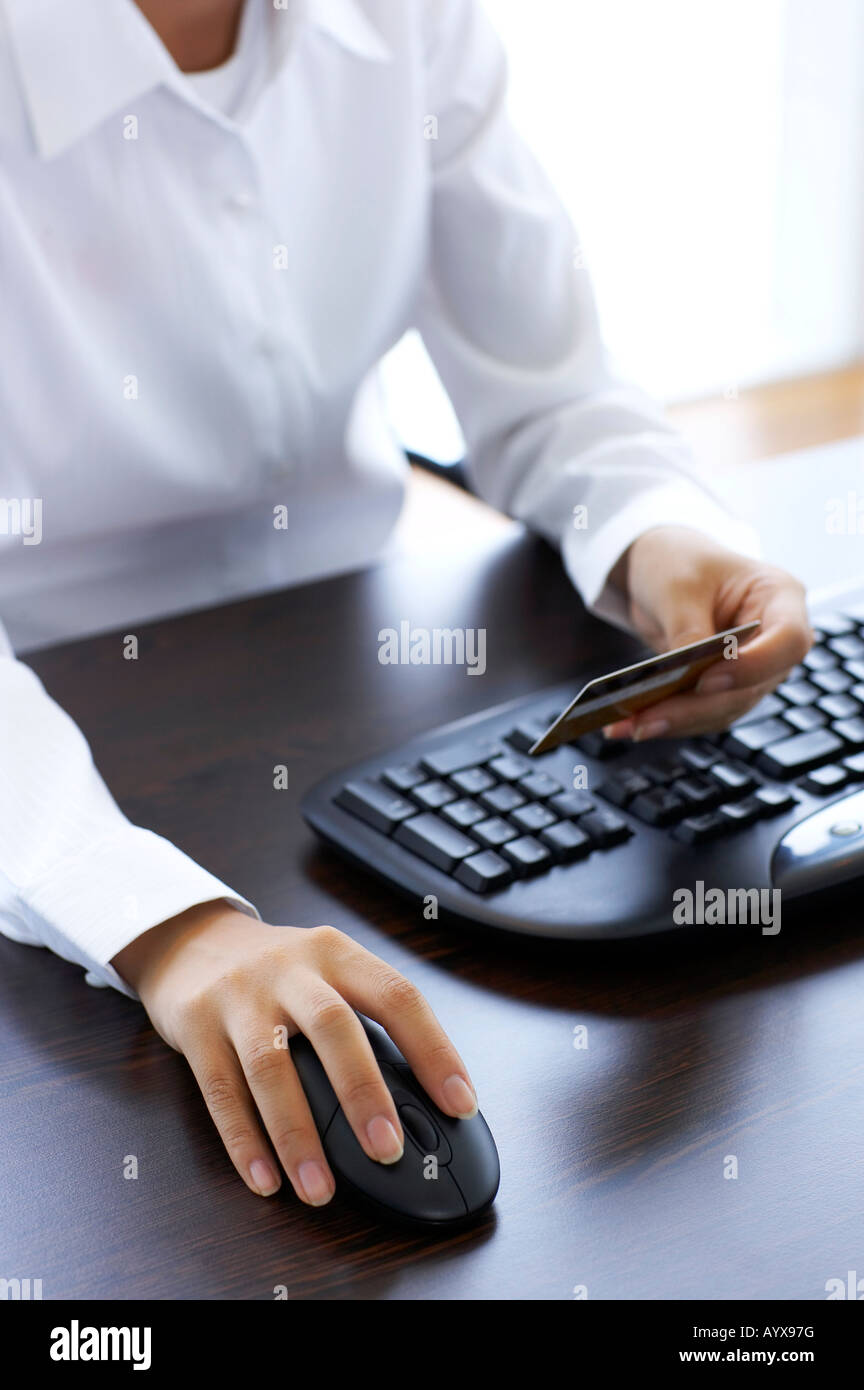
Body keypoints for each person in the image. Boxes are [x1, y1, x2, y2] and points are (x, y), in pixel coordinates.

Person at [0, 0, 810, 1211]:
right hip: (52, 770)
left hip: (356, 696)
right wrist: (166, 926)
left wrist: (657, 539)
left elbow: (550, 388)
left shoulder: (412, 19)